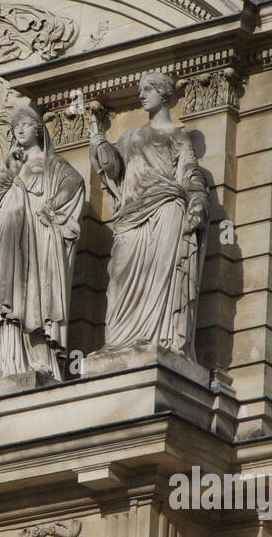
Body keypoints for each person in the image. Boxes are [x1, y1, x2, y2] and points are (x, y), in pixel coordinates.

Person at [89, 72, 209, 357]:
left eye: (148, 90)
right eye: (141, 90)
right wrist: (100, 144)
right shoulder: (129, 136)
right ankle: (119, 343)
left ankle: (159, 338)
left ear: (164, 94)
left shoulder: (177, 135)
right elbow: (114, 170)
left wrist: (198, 201)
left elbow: (189, 172)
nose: (142, 95)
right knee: (118, 278)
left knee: (160, 278)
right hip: (130, 216)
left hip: (166, 209)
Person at [0, 105, 85, 380]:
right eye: (15, 128)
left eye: (24, 125)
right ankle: (7, 361)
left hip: (37, 238)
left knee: (35, 299)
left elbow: (75, 184)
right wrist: (9, 173)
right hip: (7, 241)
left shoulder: (53, 164)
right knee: (8, 298)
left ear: (38, 129)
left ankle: (39, 358)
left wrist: (51, 206)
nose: (19, 131)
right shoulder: (13, 166)